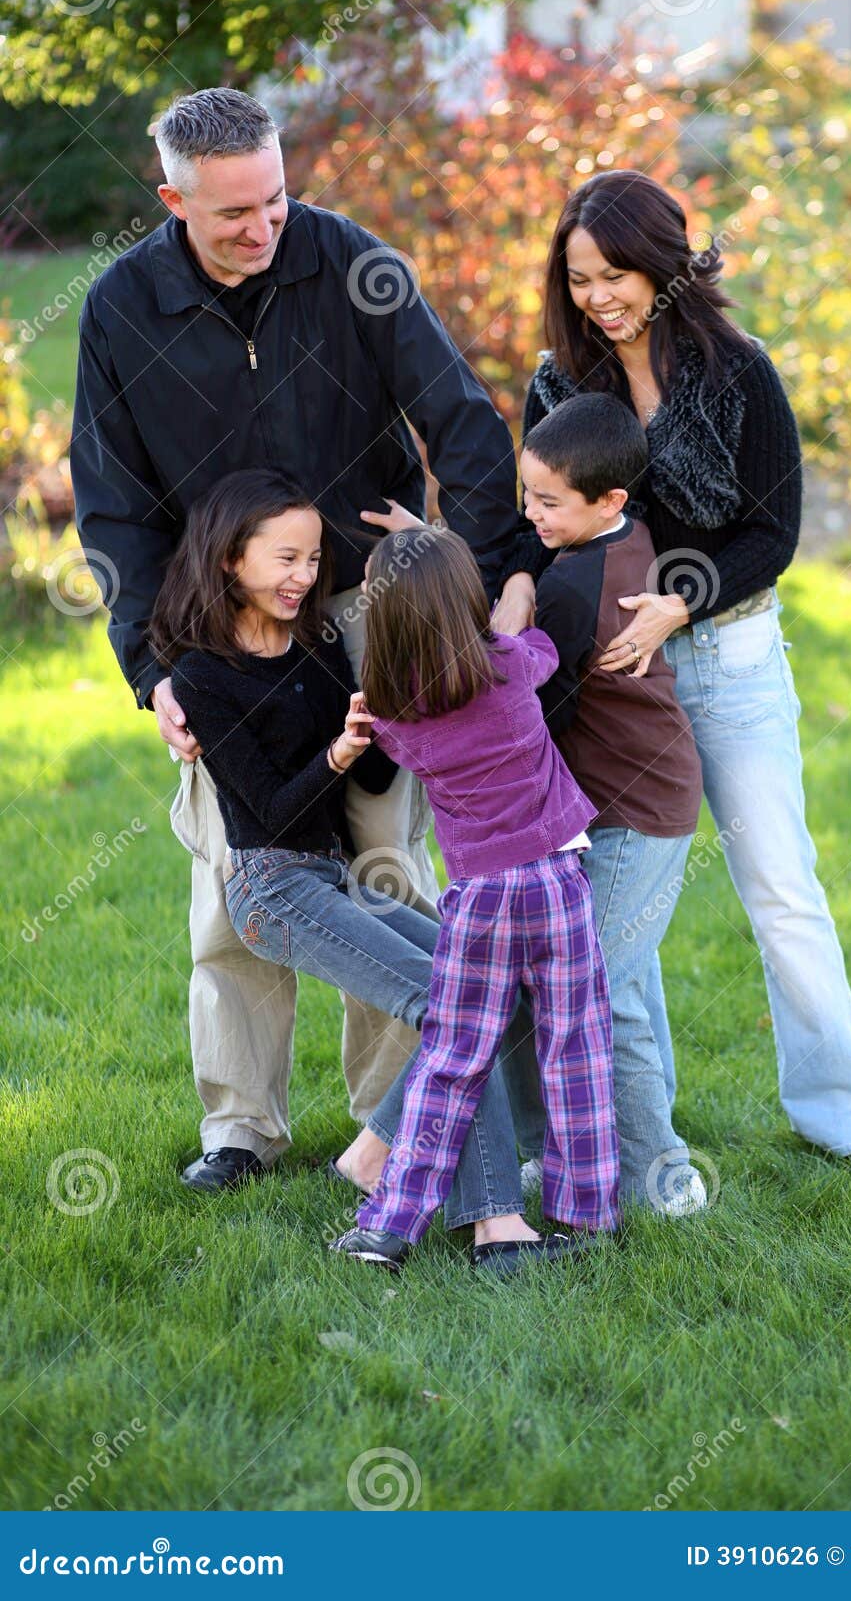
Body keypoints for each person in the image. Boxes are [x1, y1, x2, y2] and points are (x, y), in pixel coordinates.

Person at [70, 86, 533, 1190]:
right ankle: (240, 1126)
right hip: (218, 632)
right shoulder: (121, 307)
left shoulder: (347, 262)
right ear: (171, 197)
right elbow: (114, 509)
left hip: (367, 609)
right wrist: (151, 668)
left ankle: (389, 1114)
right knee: (239, 879)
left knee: (379, 859)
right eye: (232, 212)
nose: (263, 227)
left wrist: (465, 575)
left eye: (274, 198)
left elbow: (461, 420)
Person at [502, 169, 851, 1161]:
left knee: (777, 882)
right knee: (620, 910)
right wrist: (512, 595)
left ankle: (845, 1118)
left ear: (661, 266)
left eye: (617, 275)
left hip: (726, 657)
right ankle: (643, 1143)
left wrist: (682, 598)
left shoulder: (737, 370)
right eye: (581, 277)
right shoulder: (559, 383)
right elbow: (541, 520)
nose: (598, 298)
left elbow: (774, 532)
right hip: (610, 685)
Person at [150, 467, 549, 1276]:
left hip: (327, 877)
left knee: (490, 987)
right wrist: (336, 750)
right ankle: (495, 1228)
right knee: (455, 1004)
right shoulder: (200, 676)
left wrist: (381, 717)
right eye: (285, 559)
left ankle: (374, 1153)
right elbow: (265, 811)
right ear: (230, 560)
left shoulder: (318, 648)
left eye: (313, 559)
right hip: (269, 887)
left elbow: (364, 783)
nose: (304, 577)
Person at [332, 526, 619, 1271]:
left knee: (453, 1059)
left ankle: (388, 1224)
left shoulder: (395, 720)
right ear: (468, 602)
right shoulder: (510, 665)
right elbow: (542, 649)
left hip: (479, 903)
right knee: (576, 1047)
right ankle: (586, 1213)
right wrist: (519, 592)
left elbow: (396, 714)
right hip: (556, 883)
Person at [506, 392, 709, 1214]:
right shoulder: (627, 541)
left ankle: (662, 1177)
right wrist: (528, 558)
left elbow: (526, 709)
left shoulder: (573, 588)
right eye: (528, 496)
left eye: (548, 503)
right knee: (616, 978)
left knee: (593, 991)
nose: (531, 515)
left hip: (631, 810)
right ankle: (559, 1150)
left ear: (609, 500)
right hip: (639, 798)